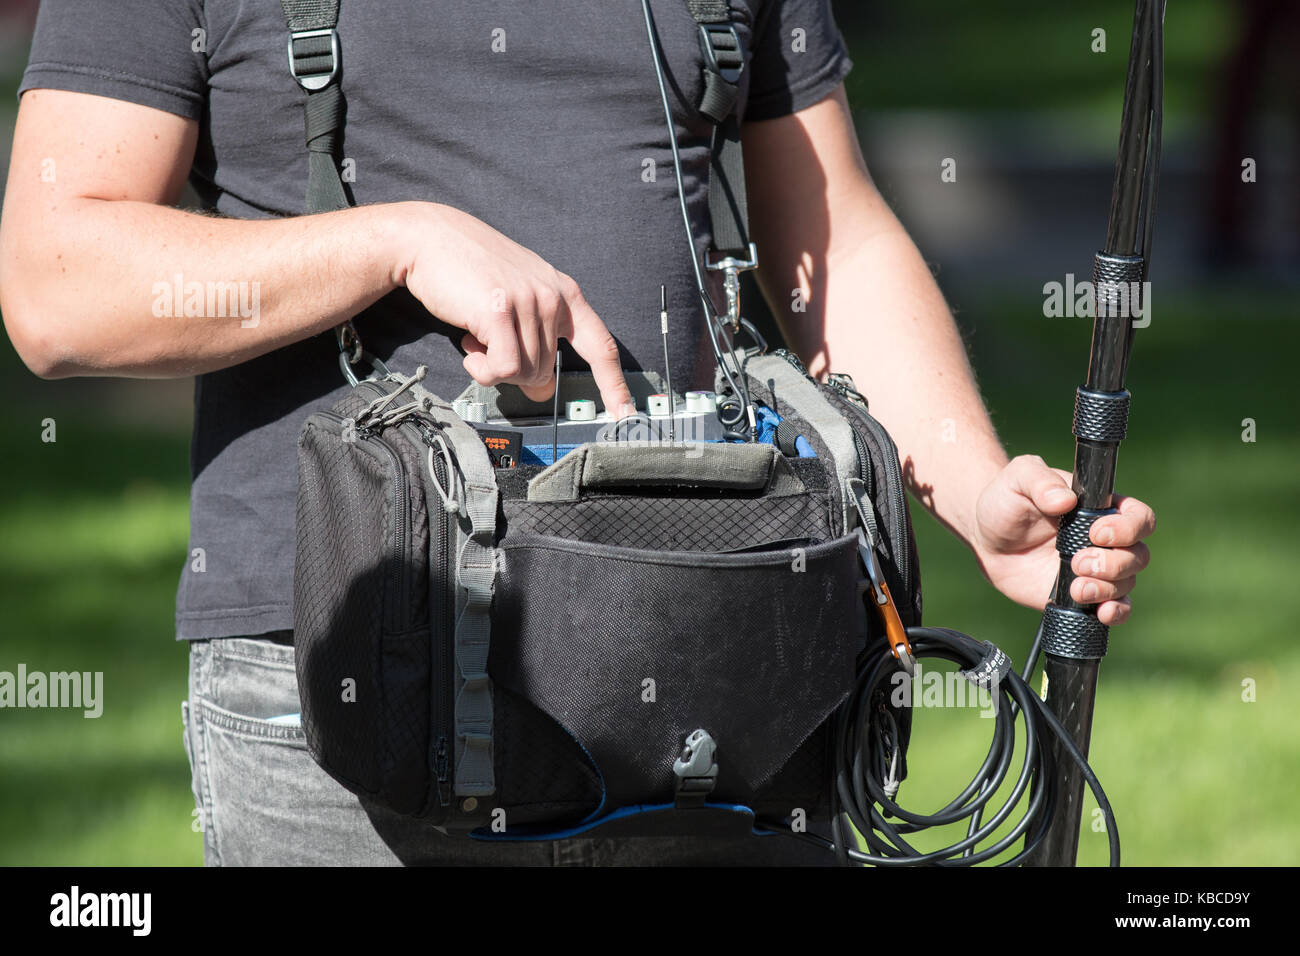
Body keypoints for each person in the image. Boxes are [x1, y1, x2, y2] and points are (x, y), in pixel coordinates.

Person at [0, 0, 1155, 866]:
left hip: (724, 669)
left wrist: (968, 485)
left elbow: (833, 236)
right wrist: (393, 243)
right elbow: (56, 284)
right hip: (353, 707)